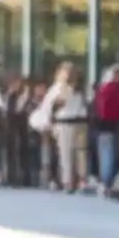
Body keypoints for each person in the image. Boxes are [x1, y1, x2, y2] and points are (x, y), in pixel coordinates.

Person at [43, 62, 89, 194]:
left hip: (66, 122)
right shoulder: (80, 89)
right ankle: (80, 180)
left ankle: (69, 181)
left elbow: (55, 105)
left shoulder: (60, 88)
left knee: (67, 153)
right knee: (80, 153)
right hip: (79, 121)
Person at [94, 65, 119, 197]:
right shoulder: (117, 89)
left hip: (102, 124)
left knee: (105, 153)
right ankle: (107, 182)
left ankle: (105, 182)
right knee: (110, 154)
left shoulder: (103, 88)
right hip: (113, 124)